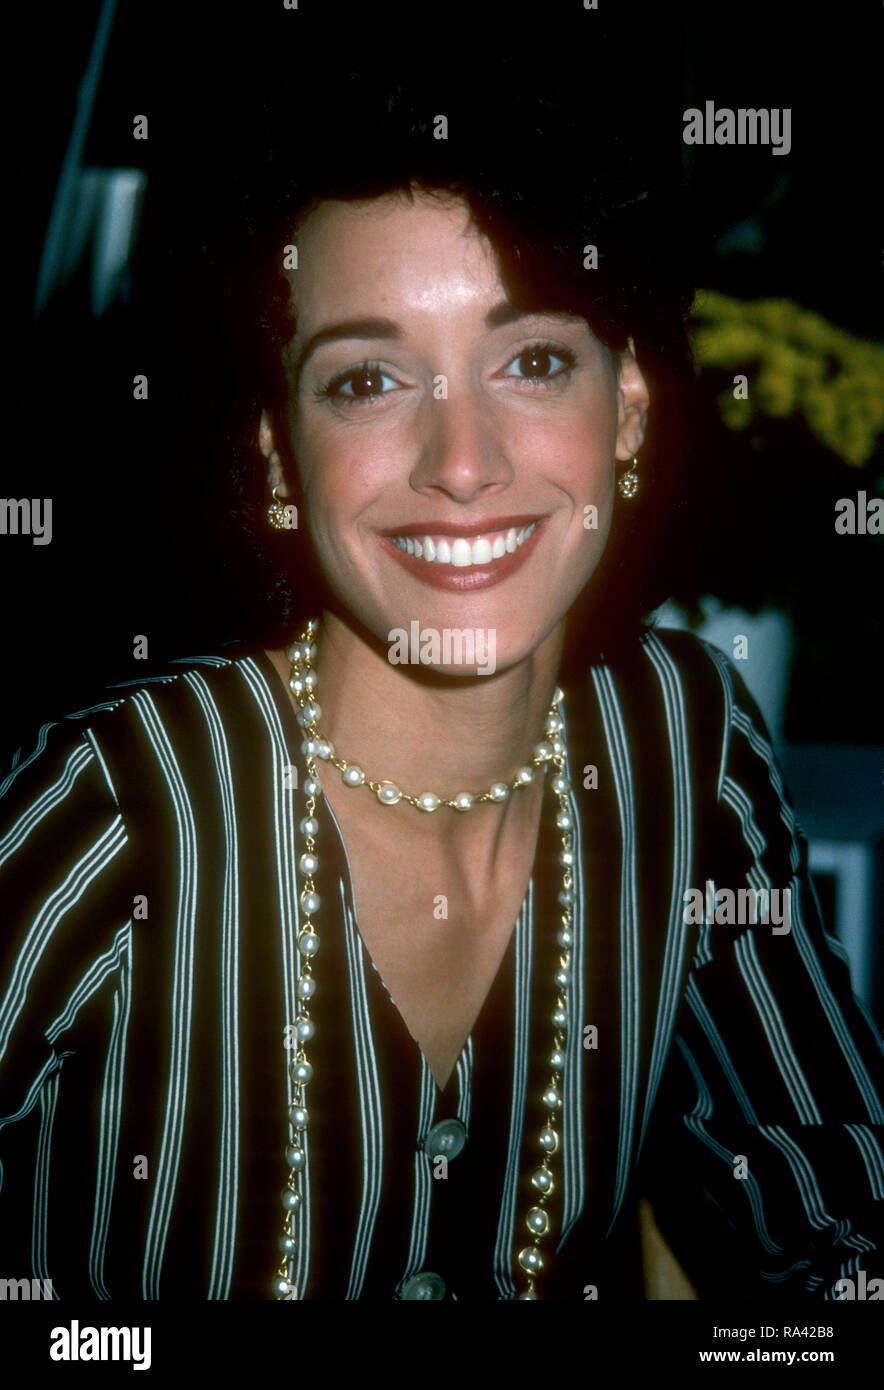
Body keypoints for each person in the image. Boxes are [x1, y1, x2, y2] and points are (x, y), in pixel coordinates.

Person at [2, 80, 882, 1303]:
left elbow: (826, 1200)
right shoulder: (113, 806)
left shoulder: (678, 744)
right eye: (366, 380)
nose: (460, 463)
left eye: (529, 361)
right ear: (278, 454)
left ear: (625, 409)